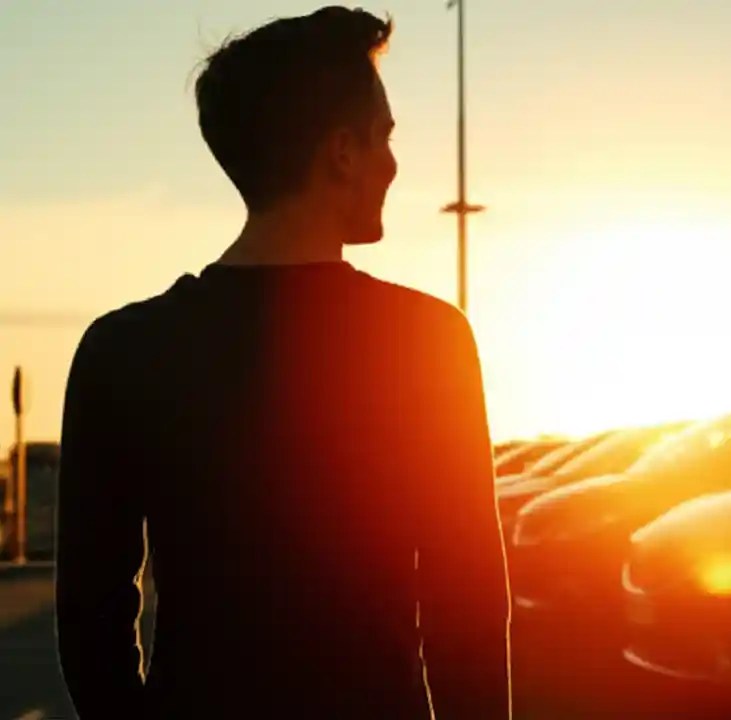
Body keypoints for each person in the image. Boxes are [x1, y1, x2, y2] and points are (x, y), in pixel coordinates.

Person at [54, 7, 511, 718]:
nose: (393, 161)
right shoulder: (428, 341)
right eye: (383, 137)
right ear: (341, 151)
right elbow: (469, 615)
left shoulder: (123, 351)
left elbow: (92, 625)